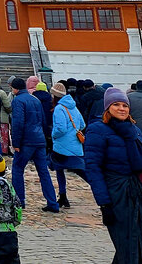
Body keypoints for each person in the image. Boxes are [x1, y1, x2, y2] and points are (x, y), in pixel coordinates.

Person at [85, 87, 142, 264]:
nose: (121, 108)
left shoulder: (135, 130)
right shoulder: (97, 130)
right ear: (107, 108)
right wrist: (104, 204)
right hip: (118, 194)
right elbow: (93, 169)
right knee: (126, 246)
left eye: (125, 105)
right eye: (116, 104)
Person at [8, 77, 59, 213]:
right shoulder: (35, 100)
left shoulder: (18, 100)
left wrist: (16, 142)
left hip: (26, 141)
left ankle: (19, 201)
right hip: (39, 139)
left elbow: (17, 122)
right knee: (43, 172)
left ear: (15, 88)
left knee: (18, 169)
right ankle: (52, 202)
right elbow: (43, 120)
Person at [49, 80, 85, 209]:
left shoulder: (59, 108)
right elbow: (82, 124)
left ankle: (63, 195)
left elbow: (60, 129)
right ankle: (63, 197)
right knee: (79, 170)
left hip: (62, 146)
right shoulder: (73, 106)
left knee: (61, 170)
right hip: (75, 145)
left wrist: (53, 134)